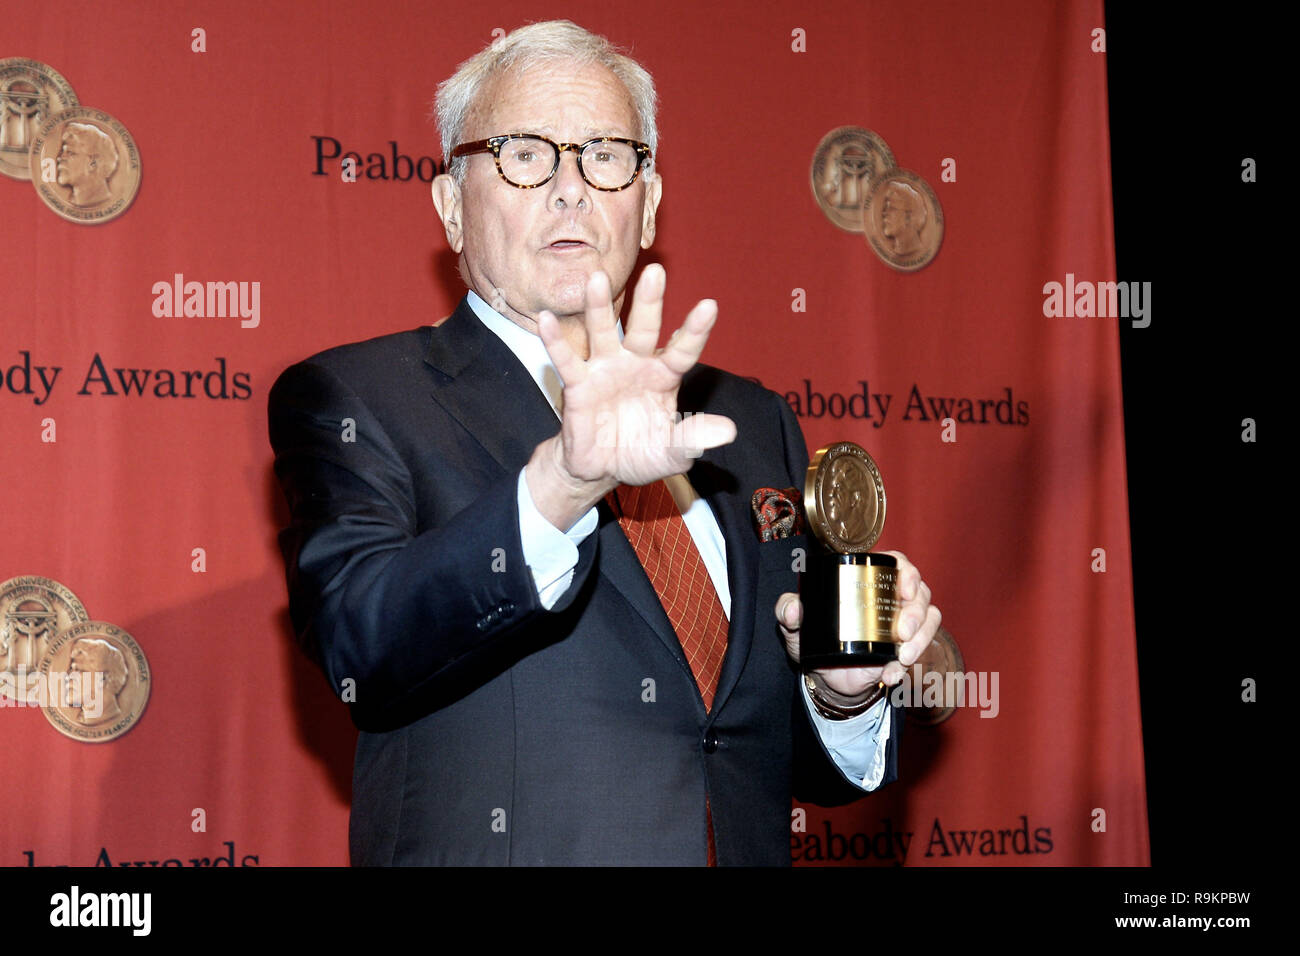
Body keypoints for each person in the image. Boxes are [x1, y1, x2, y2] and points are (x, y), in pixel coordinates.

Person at [268, 20, 940, 866]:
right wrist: (562, 483)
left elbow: (745, 747)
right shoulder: (362, 398)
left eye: (605, 155)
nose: (569, 189)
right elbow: (360, 645)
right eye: (522, 153)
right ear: (449, 205)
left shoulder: (747, 419)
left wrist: (840, 696)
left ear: (650, 203)